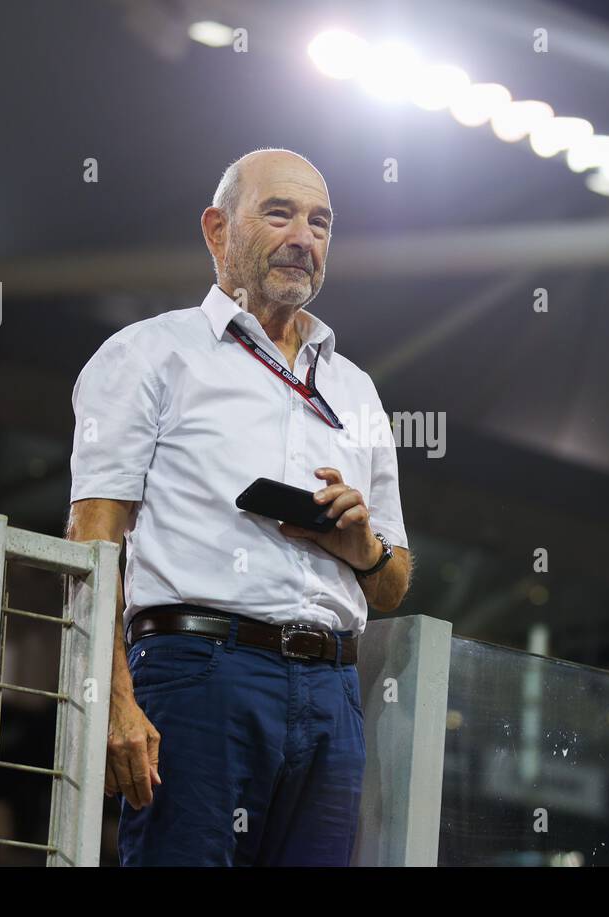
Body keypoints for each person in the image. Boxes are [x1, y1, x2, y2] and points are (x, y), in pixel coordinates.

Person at [65, 148, 413, 865]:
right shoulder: (149, 355)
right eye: (279, 213)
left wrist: (361, 550)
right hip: (198, 670)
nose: (303, 238)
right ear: (216, 230)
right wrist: (108, 695)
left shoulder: (357, 391)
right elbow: (90, 537)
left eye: (320, 222)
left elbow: (393, 584)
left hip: (333, 690)